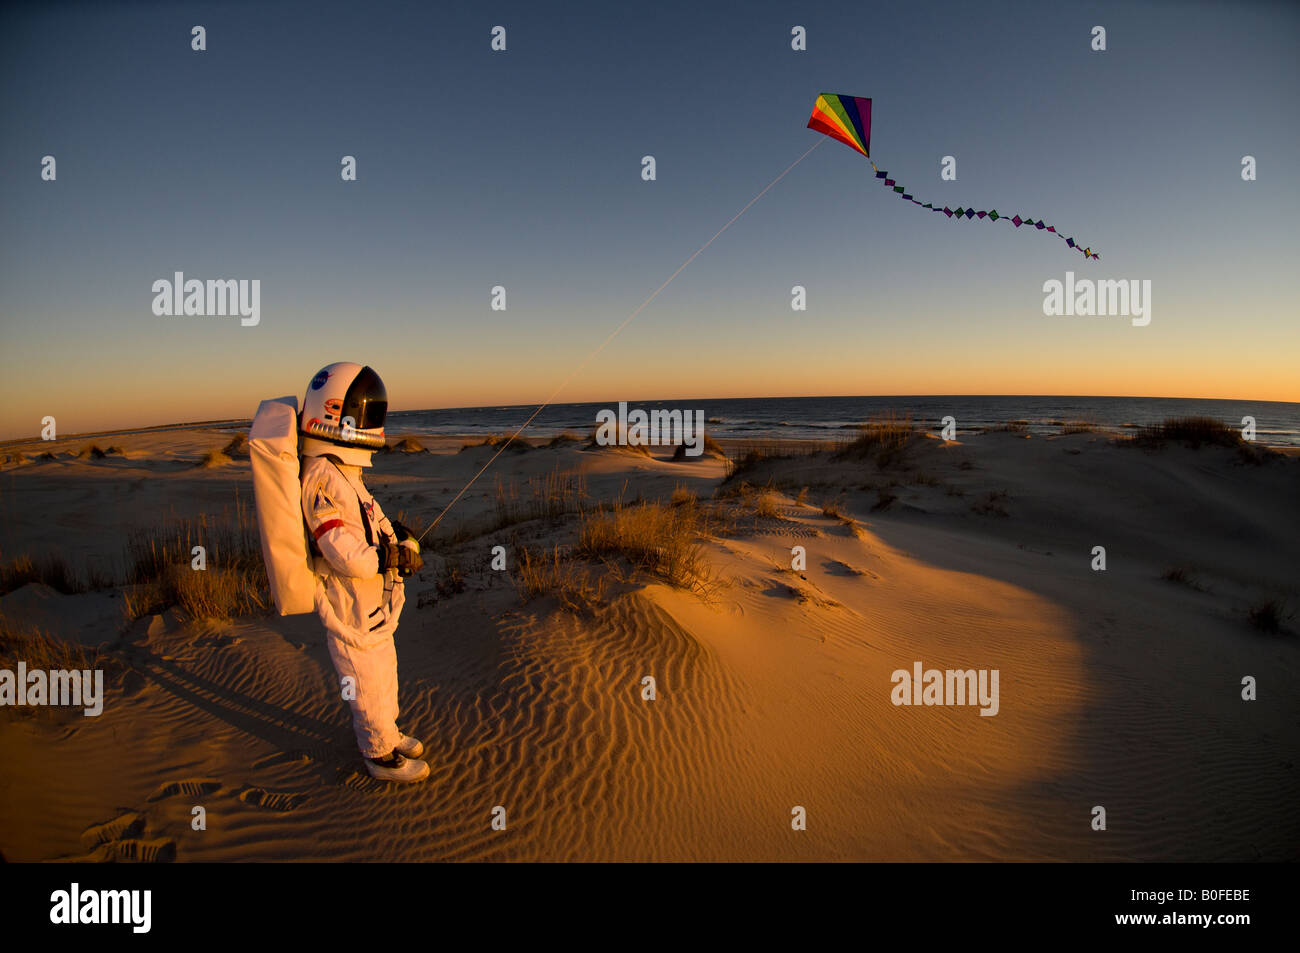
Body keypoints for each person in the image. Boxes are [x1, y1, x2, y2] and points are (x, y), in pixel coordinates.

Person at [298, 362, 428, 782]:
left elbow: (371, 516)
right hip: (348, 601)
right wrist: (386, 558)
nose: (373, 421)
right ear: (337, 412)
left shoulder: (344, 471)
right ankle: (377, 753)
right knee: (364, 679)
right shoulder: (319, 476)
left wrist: (399, 541)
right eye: (366, 413)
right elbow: (340, 549)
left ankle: (388, 731)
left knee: (383, 671)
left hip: (371, 601)